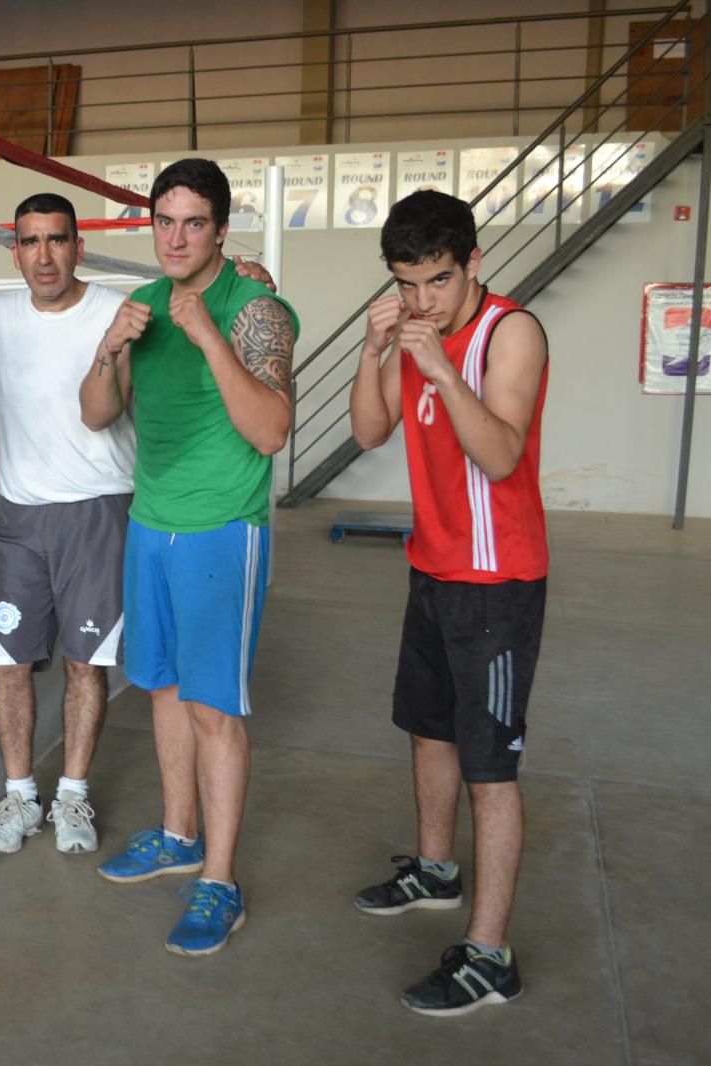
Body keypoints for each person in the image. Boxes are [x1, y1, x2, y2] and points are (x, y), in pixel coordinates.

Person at [0, 193, 278, 858]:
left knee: (89, 666)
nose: (44, 254)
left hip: (104, 509)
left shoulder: (125, 310)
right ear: (14, 251)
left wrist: (245, 281)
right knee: (7, 666)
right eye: (29, 241)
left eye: (57, 239)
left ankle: (72, 791)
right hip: (20, 515)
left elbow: (198, 312)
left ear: (80, 247)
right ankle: (20, 792)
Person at [79, 159, 297, 956]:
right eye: (164, 221)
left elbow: (271, 431)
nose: (175, 237)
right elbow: (98, 414)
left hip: (221, 529)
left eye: (193, 223)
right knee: (161, 690)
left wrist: (208, 335)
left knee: (214, 709)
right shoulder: (139, 306)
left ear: (221, 229)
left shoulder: (256, 308)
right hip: (151, 522)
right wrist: (107, 352)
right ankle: (177, 836)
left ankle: (221, 880)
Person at [348, 189, 549, 1016]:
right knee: (427, 731)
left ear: (472, 261)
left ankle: (490, 954)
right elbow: (367, 434)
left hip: (497, 584)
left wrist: (436, 365)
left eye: (435, 281)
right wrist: (374, 352)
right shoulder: (406, 329)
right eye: (405, 285)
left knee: (489, 770)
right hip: (432, 569)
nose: (419, 302)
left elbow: (501, 454)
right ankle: (435, 869)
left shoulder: (513, 332)